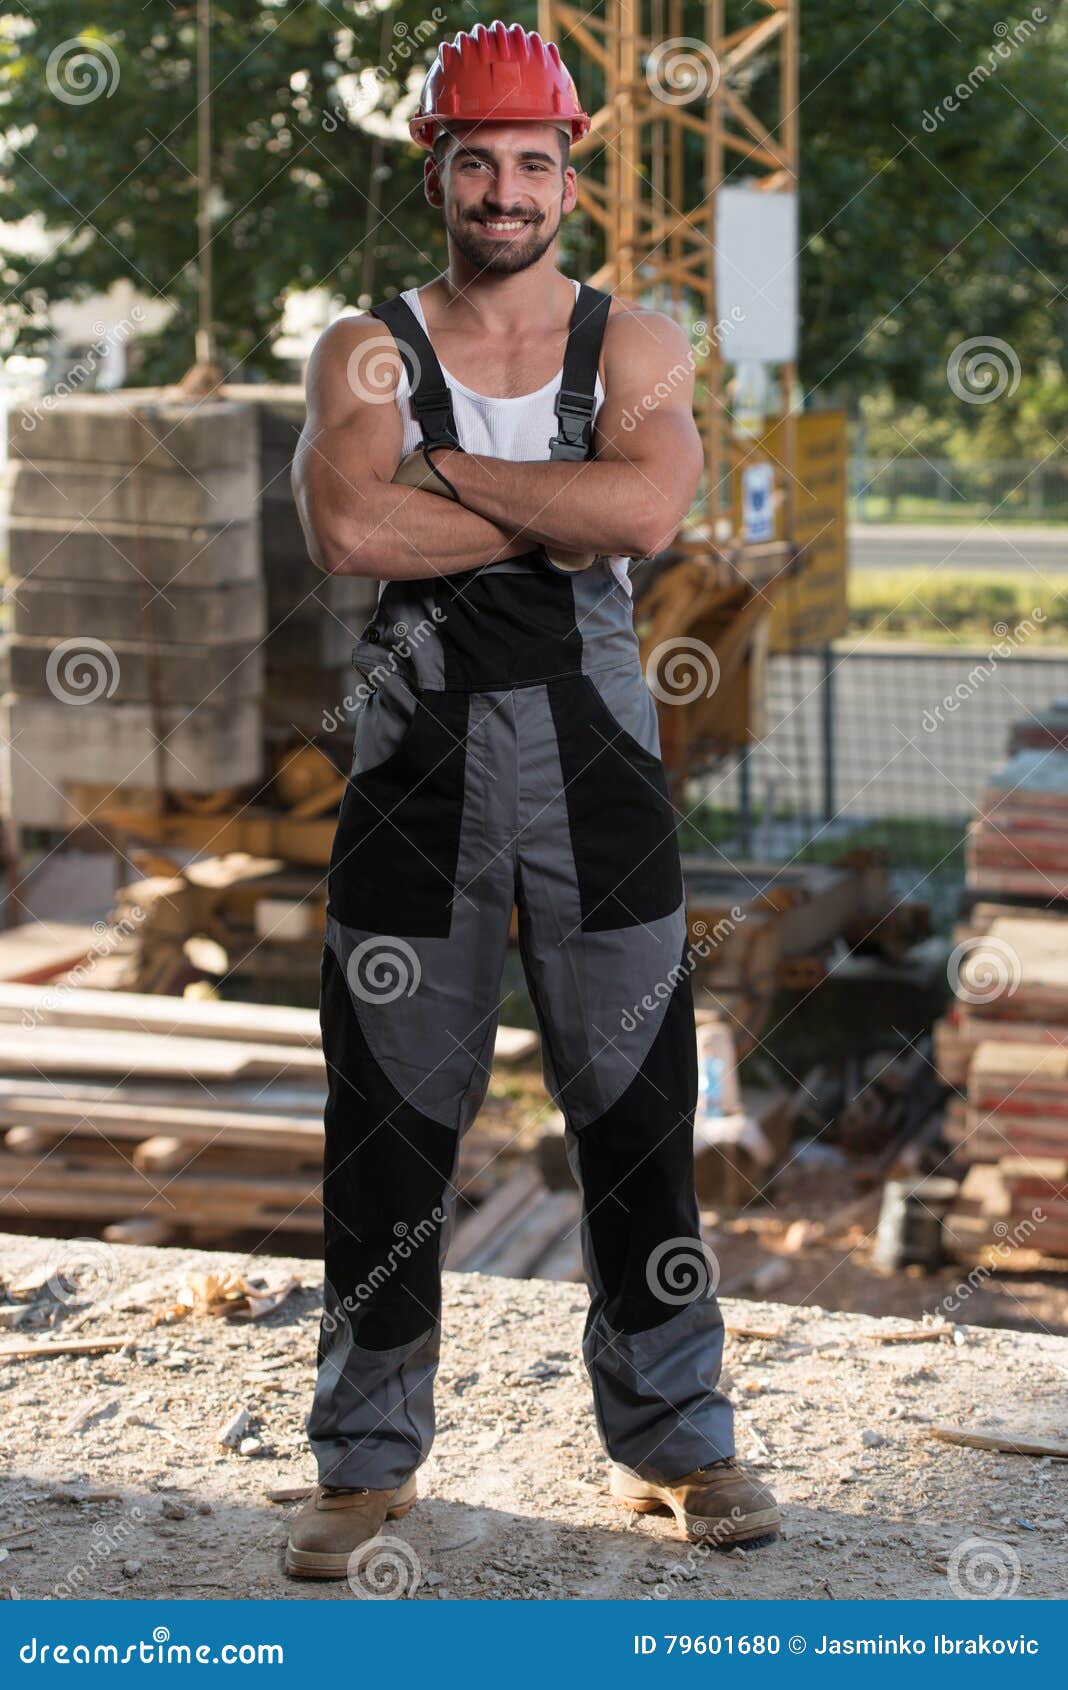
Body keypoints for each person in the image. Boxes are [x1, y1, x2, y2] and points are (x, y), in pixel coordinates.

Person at [286, 18, 779, 1581]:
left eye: (535, 163)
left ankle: (677, 1436)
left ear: (572, 173)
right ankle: (365, 1464)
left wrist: (448, 476)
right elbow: (349, 536)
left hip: (595, 770)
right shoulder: (362, 348)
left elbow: (642, 506)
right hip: (412, 772)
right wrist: (548, 519)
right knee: (387, 1120)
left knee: (637, 1113)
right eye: (478, 161)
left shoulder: (636, 343)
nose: (506, 190)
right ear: (437, 168)